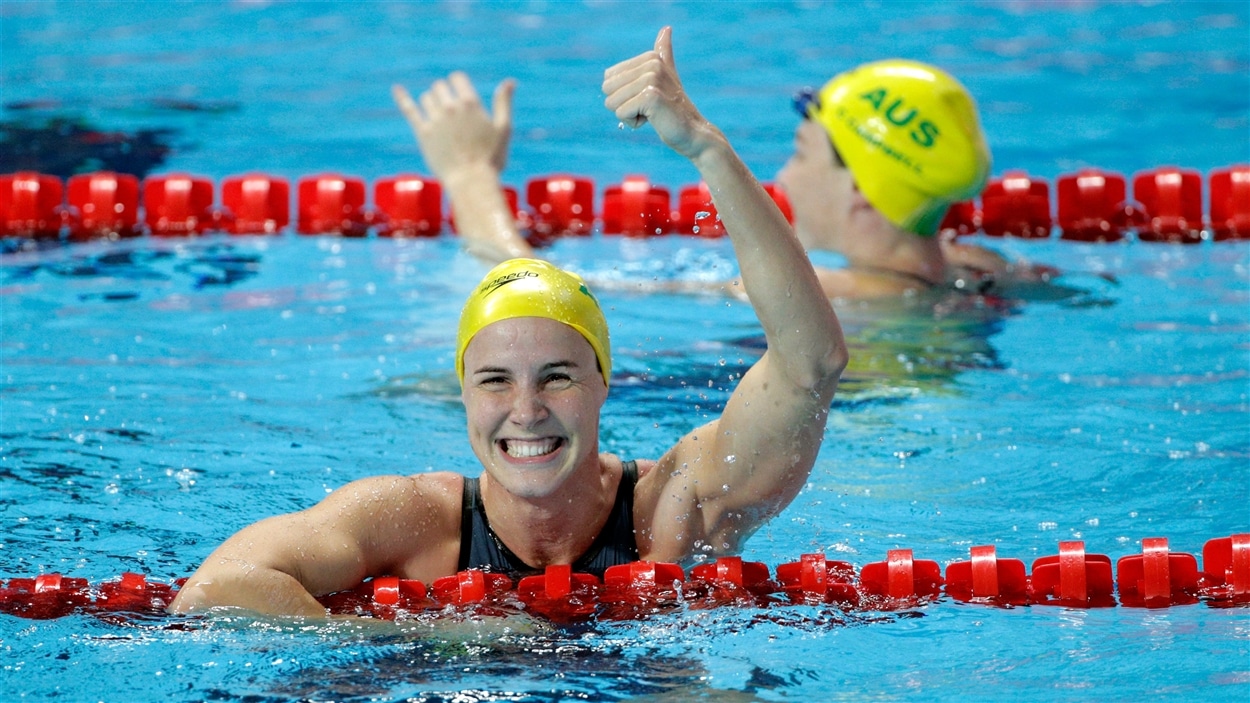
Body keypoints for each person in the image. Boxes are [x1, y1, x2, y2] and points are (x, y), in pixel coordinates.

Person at [169, 27, 848, 617]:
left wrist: (706, 149)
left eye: (556, 377)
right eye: (496, 380)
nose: (525, 411)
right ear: (462, 389)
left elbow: (809, 363)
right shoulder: (409, 520)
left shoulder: (671, 507)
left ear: (603, 381)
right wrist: (421, 642)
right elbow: (216, 588)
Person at [390, 49, 1050, 299]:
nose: (783, 176)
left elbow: (555, 292)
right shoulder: (980, 267)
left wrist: (467, 173)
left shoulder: (826, 290)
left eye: (801, 149)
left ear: (860, 191)